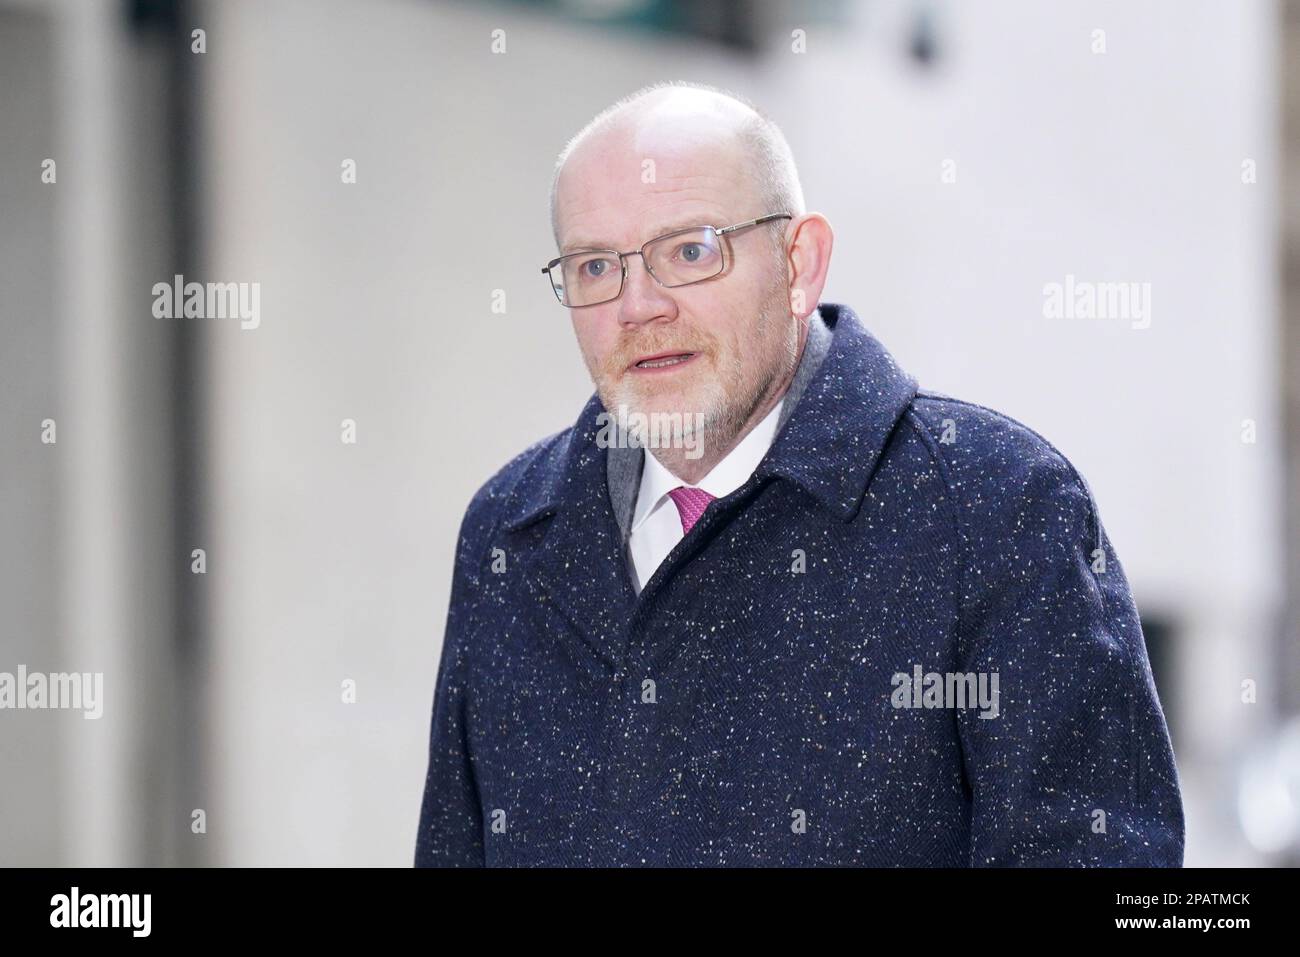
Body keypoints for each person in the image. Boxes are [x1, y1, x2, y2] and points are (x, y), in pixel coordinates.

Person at [415, 81, 1184, 866]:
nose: (637, 305)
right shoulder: (508, 534)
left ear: (800, 263)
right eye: (593, 267)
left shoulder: (1000, 507)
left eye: (689, 251)